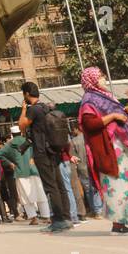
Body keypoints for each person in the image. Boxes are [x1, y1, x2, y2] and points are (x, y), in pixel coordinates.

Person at [77, 68, 128, 233]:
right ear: (91, 80)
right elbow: (89, 124)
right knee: (116, 185)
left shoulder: (105, 96)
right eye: (99, 76)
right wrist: (114, 117)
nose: (103, 78)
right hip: (110, 150)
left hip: (122, 147)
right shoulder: (89, 100)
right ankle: (118, 224)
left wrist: (124, 112)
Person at [20, 82, 73, 234]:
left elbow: (22, 125)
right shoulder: (46, 107)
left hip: (42, 152)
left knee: (51, 187)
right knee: (59, 185)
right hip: (53, 151)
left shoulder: (34, 110)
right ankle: (67, 218)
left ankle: (58, 220)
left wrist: (24, 109)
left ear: (27, 94)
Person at [0, 128, 49, 225]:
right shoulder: (29, 140)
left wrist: (10, 163)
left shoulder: (9, 144)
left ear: (12, 134)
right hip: (33, 170)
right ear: (21, 132)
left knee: (25, 197)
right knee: (40, 194)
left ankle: (34, 218)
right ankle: (47, 217)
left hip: (20, 172)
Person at [70, 128, 102, 218]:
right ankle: (98, 210)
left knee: (88, 190)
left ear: (77, 129)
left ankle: (94, 210)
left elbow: (75, 158)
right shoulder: (90, 138)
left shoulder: (74, 141)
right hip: (92, 166)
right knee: (95, 188)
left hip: (82, 168)